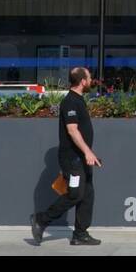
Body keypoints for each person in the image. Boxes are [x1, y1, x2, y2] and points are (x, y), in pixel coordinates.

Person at [30, 67, 103, 246]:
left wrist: (88, 154)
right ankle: (41, 220)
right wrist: (87, 152)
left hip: (82, 158)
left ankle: (80, 234)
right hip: (73, 159)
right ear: (83, 81)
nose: (91, 79)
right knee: (75, 194)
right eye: (89, 77)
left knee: (87, 194)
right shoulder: (70, 102)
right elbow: (72, 130)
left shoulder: (78, 100)